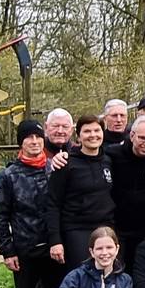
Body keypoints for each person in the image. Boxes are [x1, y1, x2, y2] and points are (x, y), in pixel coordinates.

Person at [0, 119, 65, 288]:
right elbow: (0, 216)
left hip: (53, 244)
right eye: (29, 138)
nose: (34, 142)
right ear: (20, 143)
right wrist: (7, 249)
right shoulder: (8, 176)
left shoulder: (53, 168)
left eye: (38, 138)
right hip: (24, 247)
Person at [45, 114, 114, 272]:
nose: (93, 135)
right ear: (79, 136)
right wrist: (55, 240)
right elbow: (53, 203)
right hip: (76, 231)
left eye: (97, 130)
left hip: (106, 228)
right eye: (87, 131)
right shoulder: (65, 163)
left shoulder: (109, 161)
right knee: (82, 278)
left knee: (107, 276)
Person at [104, 115, 145, 272]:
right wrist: (63, 156)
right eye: (142, 138)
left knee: (144, 272)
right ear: (132, 135)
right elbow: (86, 155)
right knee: (118, 272)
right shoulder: (112, 154)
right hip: (118, 227)